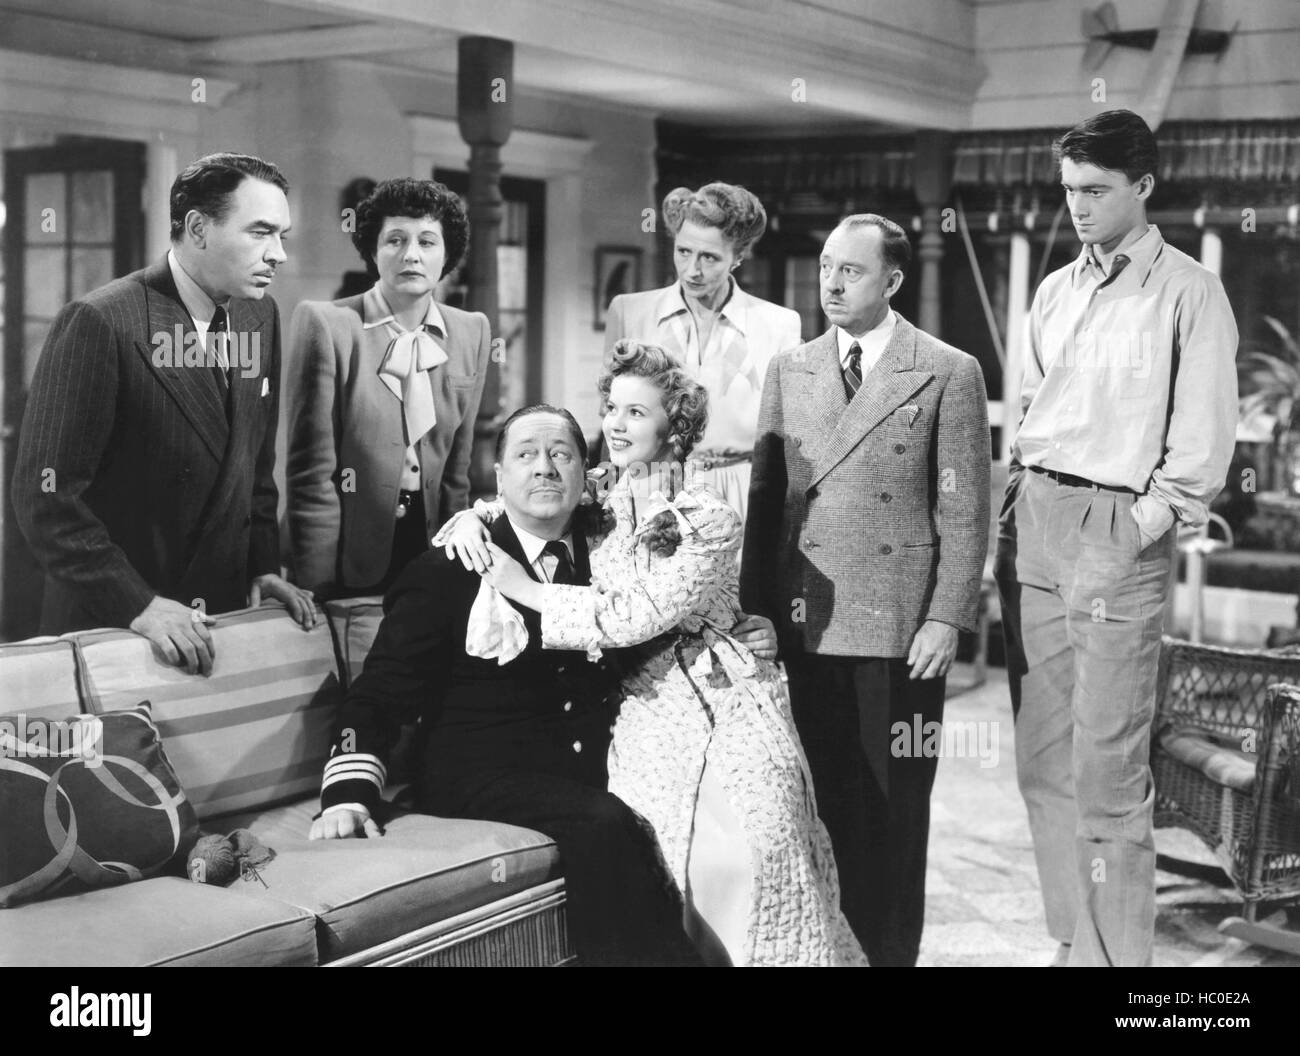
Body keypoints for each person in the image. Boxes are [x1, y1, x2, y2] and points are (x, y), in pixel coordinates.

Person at [442, 342, 866, 966]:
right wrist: (470, 521)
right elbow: (527, 493)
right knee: (672, 853)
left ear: (675, 429)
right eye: (611, 408)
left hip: (729, 693)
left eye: (635, 413)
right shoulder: (598, 504)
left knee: (762, 847)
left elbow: (626, 617)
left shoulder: (710, 517)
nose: (614, 424)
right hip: (643, 705)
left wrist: (525, 589)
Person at [310, 404, 705, 966]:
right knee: (605, 822)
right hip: (477, 771)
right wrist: (347, 794)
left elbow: (673, 610)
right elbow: (380, 693)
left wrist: (749, 627)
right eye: (525, 455)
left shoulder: (613, 559)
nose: (544, 468)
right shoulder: (448, 568)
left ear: (585, 477)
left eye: (561, 455)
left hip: (590, 764)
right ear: (500, 479)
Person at [994, 109, 1239, 967]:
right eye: (1069, 191)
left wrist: (1141, 523)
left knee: (1107, 771)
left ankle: (1113, 968)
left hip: (1116, 528)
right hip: (1040, 521)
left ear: (1143, 185)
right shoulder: (1056, 289)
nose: (1079, 208)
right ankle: (1075, 939)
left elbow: (1204, 442)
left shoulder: (1188, 290)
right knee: (1043, 761)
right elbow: (1028, 409)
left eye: (1096, 191)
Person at [741, 213, 991, 967]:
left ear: (893, 280)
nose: (832, 283)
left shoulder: (947, 368)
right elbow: (766, 505)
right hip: (804, 627)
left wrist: (947, 617)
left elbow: (966, 508)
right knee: (816, 808)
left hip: (900, 632)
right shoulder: (792, 369)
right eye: (825, 267)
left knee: (893, 814)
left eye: (850, 271)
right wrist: (756, 616)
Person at [12, 152, 314, 674]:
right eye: (261, 232)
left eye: (282, 235)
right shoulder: (101, 320)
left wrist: (263, 566)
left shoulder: (259, 314)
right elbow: (46, 499)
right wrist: (140, 605)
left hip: (218, 617)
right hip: (115, 631)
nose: (279, 254)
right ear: (197, 228)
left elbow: (253, 468)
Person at [287, 177, 491, 597]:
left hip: (435, 549)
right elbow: (312, 477)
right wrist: (316, 586)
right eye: (394, 239)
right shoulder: (327, 325)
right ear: (373, 251)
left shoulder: (472, 331)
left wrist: (459, 570)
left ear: (447, 253)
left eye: (427, 241)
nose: (410, 255)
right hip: (349, 559)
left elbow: (458, 472)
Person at [601, 182, 802, 518]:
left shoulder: (778, 324)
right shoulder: (629, 312)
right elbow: (608, 413)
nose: (692, 270)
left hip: (742, 489)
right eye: (684, 252)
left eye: (709, 257)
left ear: (738, 257)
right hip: (649, 486)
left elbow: (787, 431)